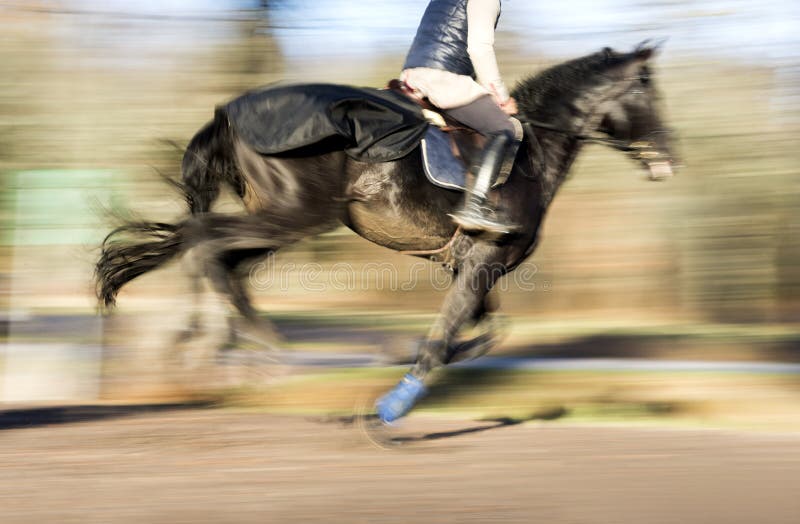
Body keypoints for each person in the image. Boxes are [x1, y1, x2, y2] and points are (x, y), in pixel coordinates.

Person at [401, 0, 519, 236]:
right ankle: (475, 208)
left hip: (412, 76)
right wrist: (501, 98)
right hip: (441, 78)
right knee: (503, 128)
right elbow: (479, 48)